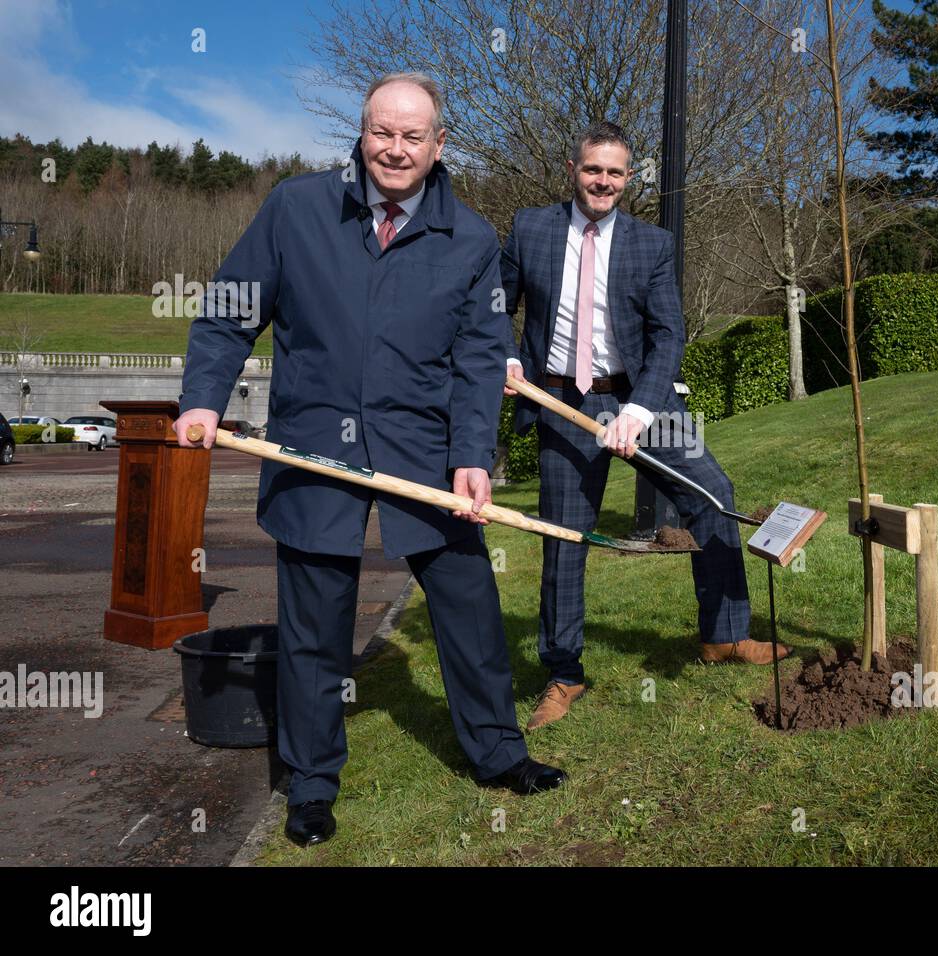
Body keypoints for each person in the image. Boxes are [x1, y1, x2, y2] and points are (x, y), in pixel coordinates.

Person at [175, 72, 565, 848]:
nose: (395, 148)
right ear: (362, 133)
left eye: (412, 136)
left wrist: (472, 456)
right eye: (381, 131)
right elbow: (227, 313)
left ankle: (498, 752)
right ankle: (312, 785)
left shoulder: (473, 239)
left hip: (425, 450)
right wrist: (203, 398)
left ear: (439, 144)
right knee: (314, 626)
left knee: (469, 608)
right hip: (313, 445)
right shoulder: (297, 208)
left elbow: (481, 358)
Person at [500, 120, 790, 731]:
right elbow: (495, 304)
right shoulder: (531, 229)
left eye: (615, 172)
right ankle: (564, 673)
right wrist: (504, 357)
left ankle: (724, 635)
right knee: (565, 538)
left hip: (641, 400)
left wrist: (639, 410)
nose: (602, 181)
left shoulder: (651, 244)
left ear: (628, 179)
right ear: (573, 170)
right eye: (592, 169)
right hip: (561, 401)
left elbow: (667, 335)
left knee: (714, 494)